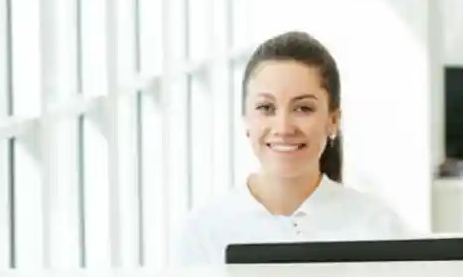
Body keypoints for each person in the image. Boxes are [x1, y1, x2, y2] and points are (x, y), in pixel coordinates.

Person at [173, 31, 407, 265]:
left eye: (303, 108)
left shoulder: (377, 225)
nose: (283, 127)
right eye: (266, 107)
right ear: (246, 119)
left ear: (333, 120)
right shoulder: (205, 232)